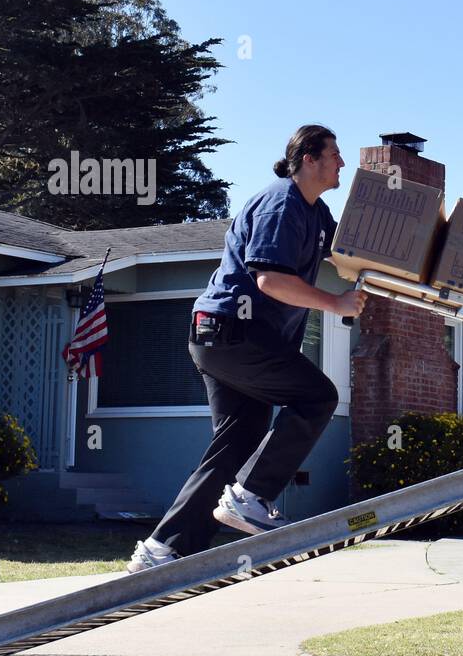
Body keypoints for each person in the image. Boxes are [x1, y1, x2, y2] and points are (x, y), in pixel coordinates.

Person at [127, 124, 367, 572]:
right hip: (231, 333)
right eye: (335, 154)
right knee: (317, 396)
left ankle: (162, 550)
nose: (342, 164)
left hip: (226, 339)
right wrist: (336, 303)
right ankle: (251, 495)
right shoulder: (283, 202)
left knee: (238, 441)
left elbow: (350, 251)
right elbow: (270, 280)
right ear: (309, 158)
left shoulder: (316, 213)